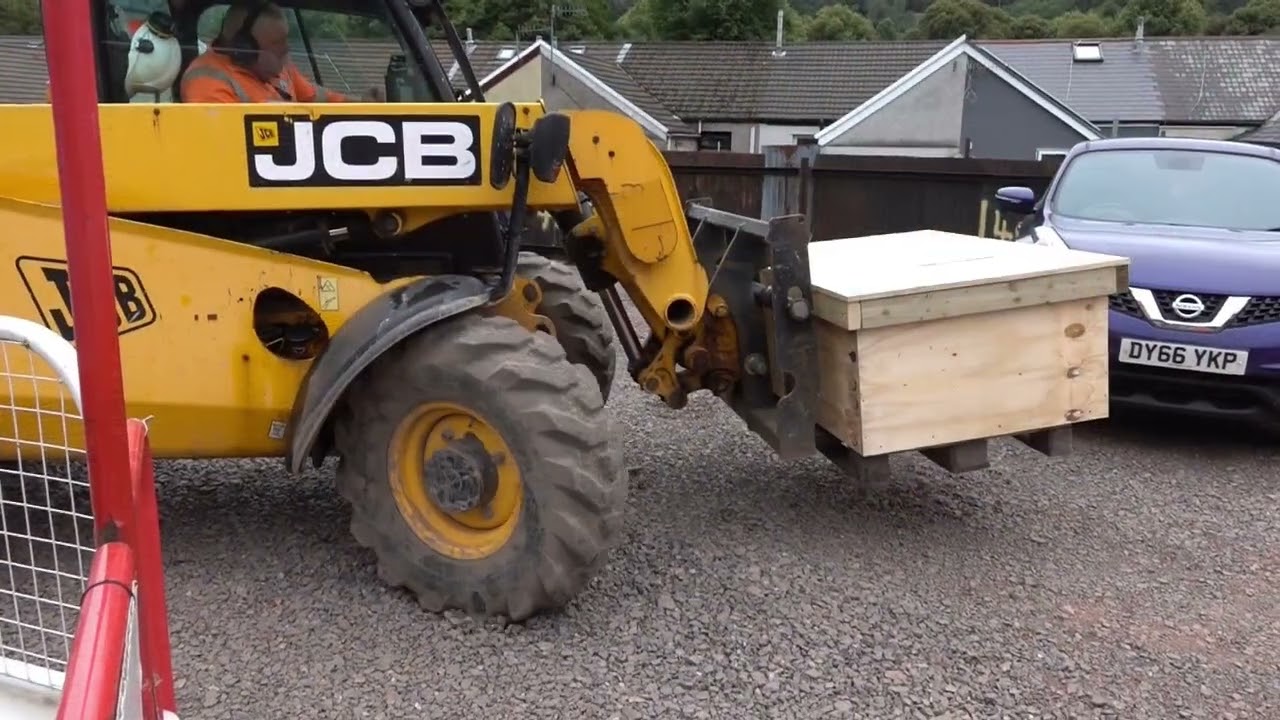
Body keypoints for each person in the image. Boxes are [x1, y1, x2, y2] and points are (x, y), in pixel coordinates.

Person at [180, 0, 383, 104]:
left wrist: (362, 103)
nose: (285, 51)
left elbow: (317, 98)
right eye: (276, 45)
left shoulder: (280, 68)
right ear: (244, 49)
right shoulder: (206, 82)